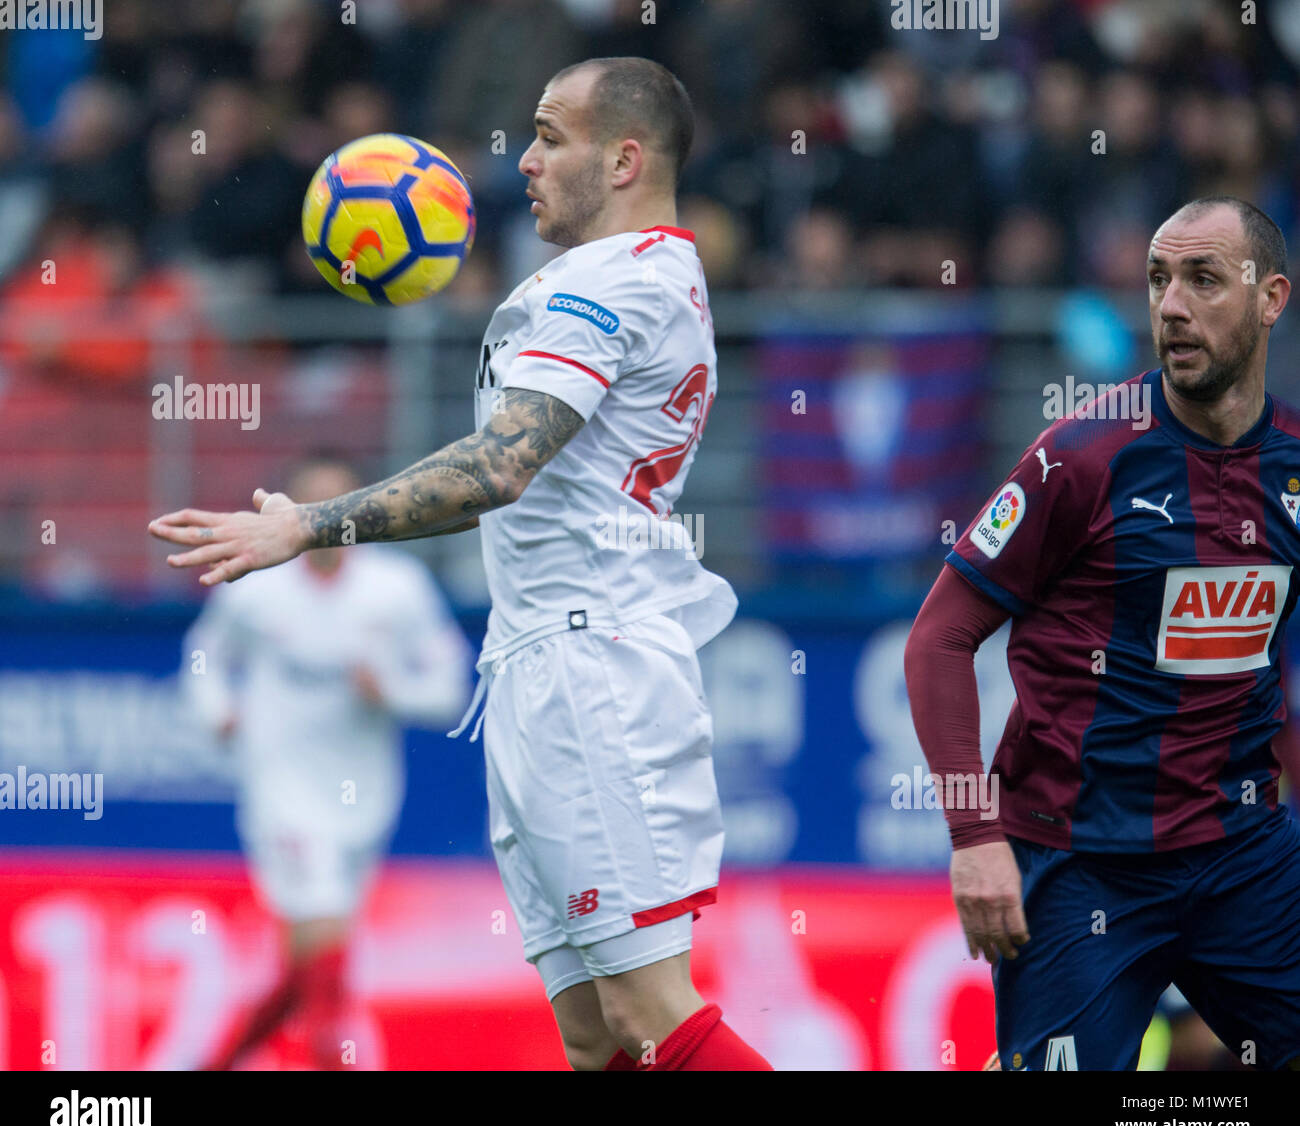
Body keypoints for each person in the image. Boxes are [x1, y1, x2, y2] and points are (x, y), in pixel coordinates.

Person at [151, 57, 771, 1072]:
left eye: (549, 135)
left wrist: (309, 526)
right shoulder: (639, 274)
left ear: (623, 157)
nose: (522, 161)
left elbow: (501, 464)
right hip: (542, 660)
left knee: (653, 1014)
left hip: (593, 665)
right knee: (591, 1032)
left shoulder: (612, 282)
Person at [906, 196, 1300, 1071]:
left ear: (1272, 298)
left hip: (1242, 854)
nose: (1170, 305)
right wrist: (975, 838)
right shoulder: (1081, 457)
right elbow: (937, 638)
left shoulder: (1294, 468)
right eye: (1159, 279)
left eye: (1203, 279)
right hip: (1081, 864)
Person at [181, 453, 471, 1070]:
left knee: (308, 965)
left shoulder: (398, 588)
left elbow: (450, 689)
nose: (324, 520)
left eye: (337, 504)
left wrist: (391, 689)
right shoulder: (256, 586)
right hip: (281, 787)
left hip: (363, 794)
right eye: (310, 504)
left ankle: (218, 1063)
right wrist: (217, 711)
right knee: (325, 950)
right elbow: (205, 654)